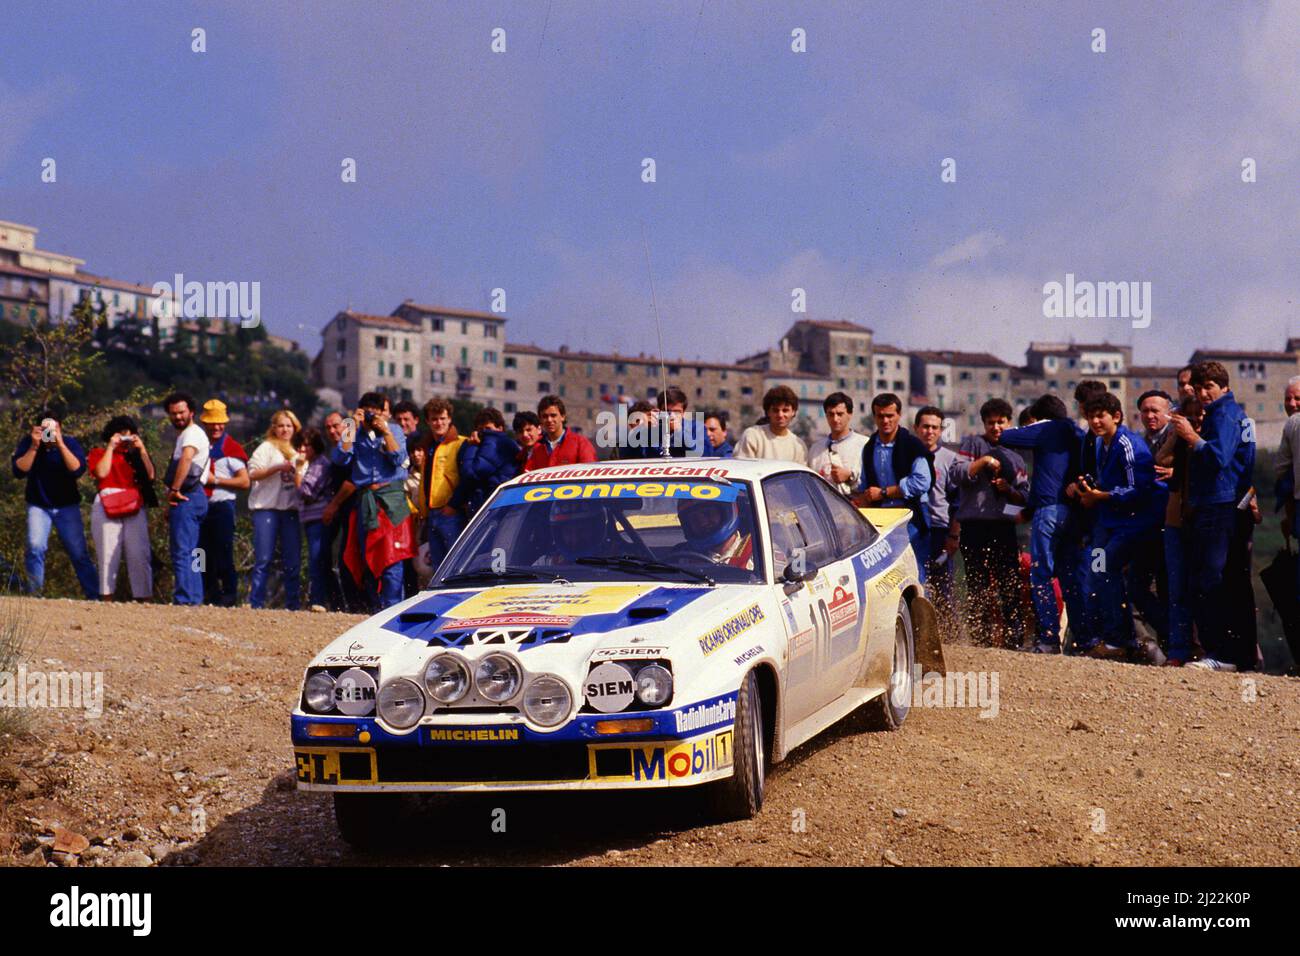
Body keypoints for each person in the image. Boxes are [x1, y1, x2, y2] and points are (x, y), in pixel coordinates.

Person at [999, 384, 1103, 654]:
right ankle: (1084, 639)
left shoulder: (1047, 428)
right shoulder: (1078, 433)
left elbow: (1006, 436)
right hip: (1072, 513)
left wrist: (1036, 426)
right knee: (1070, 578)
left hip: (1048, 511)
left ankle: (1047, 638)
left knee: (1041, 574)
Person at [1174, 361, 1256, 671]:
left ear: (1223, 386)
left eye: (1210, 386)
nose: (1205, 393)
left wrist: (1191, 436)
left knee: (1210, 579)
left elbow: (1219, 457)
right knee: (1227, 581)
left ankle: (1220, 654)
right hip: (1226, 505)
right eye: (1200, 387)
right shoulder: (1233, 414)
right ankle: (1236, 655)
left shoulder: (1223, 413)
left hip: (1219, 506)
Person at [1075, 392, 1162, 660]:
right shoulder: (1101, 444)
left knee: (1109, 569)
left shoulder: (1128, 444)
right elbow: (1108, 481)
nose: (1095, 421)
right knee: (1097, 570)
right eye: (1090, 416)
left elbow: (1139, 489)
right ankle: (1114, 637)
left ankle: (1122, 639)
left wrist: (1101, 496)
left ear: (1116, 416)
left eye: (1100, 415)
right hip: (1108, 523)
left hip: (1133, 524)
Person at [952, 398, 1030, 648]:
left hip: (1003, 527)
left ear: (1009, 423)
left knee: (1009, 582)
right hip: (974, 526)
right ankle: (981, 638)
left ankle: (1013, 640)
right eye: (991, 423)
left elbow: (1024, 497)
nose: (996, 427)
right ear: (984, 424)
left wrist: (1008, 490)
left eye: (1001, 422)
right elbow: (957, 474)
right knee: (977, 583)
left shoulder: (1016, 456)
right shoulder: (973, 444)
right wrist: (983, 462)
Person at [331, 392, 413, 608]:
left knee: (393, 558)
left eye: (373, 413)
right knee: (367, 556)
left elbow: (399, 459)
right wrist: (351, 427)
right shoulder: (353, 429)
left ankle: (394, 607)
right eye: (366, 412)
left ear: (381, 413)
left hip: (391, 501)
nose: (369, 417)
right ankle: (374, 608)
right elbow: (340, 458)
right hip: (366, 500)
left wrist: (384, 431)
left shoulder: (393, 429)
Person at [11, 414, 98, 599]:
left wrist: (60, 444)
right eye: (45, 429)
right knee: (35, 547)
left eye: (53, 428)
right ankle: (34, 595)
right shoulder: (29, 443)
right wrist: (34, 446)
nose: (49, 433)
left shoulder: (69, 443)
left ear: (60, 427)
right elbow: (19, 471)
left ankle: (94, 595)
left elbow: (78, 469)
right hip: (38, 505)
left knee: (78, 552)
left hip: (67, 505)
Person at [853, 393, 933, 575]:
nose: (885, 420)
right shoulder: (869, 447)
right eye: (880, 416)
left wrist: (884, 492)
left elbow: (922, 482)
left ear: (899, 415)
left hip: (911, 517)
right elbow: (865, 484)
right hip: (881, 520)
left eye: (890, 415)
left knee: (916, 571)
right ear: (874, 417)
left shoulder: (912, 445)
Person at [87, 416, 156, 601]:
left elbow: (150, 476)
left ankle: (144, 597)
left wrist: (141, 450)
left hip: (134, 503)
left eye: (129, 434)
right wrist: (111, 447)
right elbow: (101, 473)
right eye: (121, 434)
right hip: (107, 503)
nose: (125, 438)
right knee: (107, 553)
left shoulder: (135, 456)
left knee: (139, 552)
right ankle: (107, 597)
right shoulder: (98, 452)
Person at [1158, 396, 1202, 666]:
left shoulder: (1207, 443)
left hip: (1200, 521)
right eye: (1190, 415)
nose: (1195, 420)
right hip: (1175, 520)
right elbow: (1160, 458)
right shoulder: (1181, 442)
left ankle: (1206, 648)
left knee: (1202, 586)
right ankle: (1177, 650)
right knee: (1176, 589)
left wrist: (1194, 436)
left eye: (1199, 415)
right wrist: (1177, 434)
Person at [246, 410, 304, 610]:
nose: (285, 429)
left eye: (289, 425)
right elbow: (252, 473)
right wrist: (277, 468)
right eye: (281, 425)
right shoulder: (266, 448)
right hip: (267, 508)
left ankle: (293, 604)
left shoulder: (298, 450)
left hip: (290, 510)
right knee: (263, 558)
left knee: (292, 560)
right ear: (274, 428)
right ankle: (256, 602)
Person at [198, 399, 249, 607]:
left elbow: (245, 481)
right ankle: (204, 590)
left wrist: (216, 480)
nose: (217, 427)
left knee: (223, 551)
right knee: (199, 552)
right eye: (212, 423)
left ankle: (228, 594)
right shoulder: (199, 445)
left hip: (222, 507)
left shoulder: (231, 448)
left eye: (220, 423)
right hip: (200, 506)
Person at [163, 393, 211, 605]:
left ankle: (184, 600)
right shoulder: (192, 433)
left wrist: (174, 488)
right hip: (196, 495)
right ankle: (195, 597)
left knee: (182, 551)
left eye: (181, 412)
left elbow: (187, 458)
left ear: (191, 412)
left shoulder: (191, 434)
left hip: (188, 495)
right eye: (173, 413)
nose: (178, 417)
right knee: (194, 551)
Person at [913, 406, 960, 620]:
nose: (929, 432)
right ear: (916, 428)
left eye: (934, 427)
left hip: (940, 530)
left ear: (940, 431)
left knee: (944, 590)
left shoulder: (950, 459)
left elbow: (958, 501)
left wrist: (954, 535)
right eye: (925, 427)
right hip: (914, 530)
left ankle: (949, 636)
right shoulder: (908, 456)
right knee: (917, 585)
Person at [421, 397, 468, 573]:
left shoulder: (461, 443)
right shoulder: (428, 446)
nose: (438, 423)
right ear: (427, 421)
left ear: (449, 419)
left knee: (456, 565)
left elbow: (467, 479)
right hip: (432, 514)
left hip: (451, 514)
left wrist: (453, 506)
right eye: (434, 419)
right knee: (438, 568)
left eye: (442, 418)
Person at [457, 407, 521, 517]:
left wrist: (472, 446)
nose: (484, 433)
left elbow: (471, 473)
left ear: (500, 428)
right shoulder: (494, 443)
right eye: (481, 429)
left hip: (495, 504)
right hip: (491, 502)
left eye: (488, 428)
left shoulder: (496, 442)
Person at [296, 426, 334, 611]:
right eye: (301, 446)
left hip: (319, 518)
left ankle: (318, 600)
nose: (303, 450)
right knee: (317, 561)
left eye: (307, 446)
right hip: (310, 518)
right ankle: (322, 599)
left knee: (317, 560)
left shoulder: (320, 465)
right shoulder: (311, 464)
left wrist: (296, 471)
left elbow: (306, 492)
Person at [807, 392, 868, 497]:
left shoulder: (865, 445)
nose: (835, 419)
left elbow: (872, 481)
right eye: (831, 414)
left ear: (849, 414)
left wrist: (849, 476)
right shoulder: (816, 449)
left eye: (840, 414)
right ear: (826, 415)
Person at [675, 497, 754, 569]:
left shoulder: (756, 553)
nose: (703, 522)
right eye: (694, 519)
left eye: (708, 513)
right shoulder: (682, 558)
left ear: (727, 512)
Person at [734, 386, 807, 462]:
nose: (780, 415)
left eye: (785, 410)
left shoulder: (799, 446)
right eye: (775, 410)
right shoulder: (752, 436)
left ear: (793, 412)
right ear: (768, 412)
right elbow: (742, 467)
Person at [526, 395, 598, 470]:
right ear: (540, 419)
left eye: (553, 415)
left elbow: (590, 474)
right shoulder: (537, 450)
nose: (549, 420)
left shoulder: (580, 444)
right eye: (545, 416)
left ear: (562, 416)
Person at [652, 387, 710, 457]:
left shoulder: (696, 427)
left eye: (677, 412)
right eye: (667, 411)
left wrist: (680, 432)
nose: (672, 415)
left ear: (683, 412)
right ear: (660, 411)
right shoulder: (653, 429)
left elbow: (706, 454)